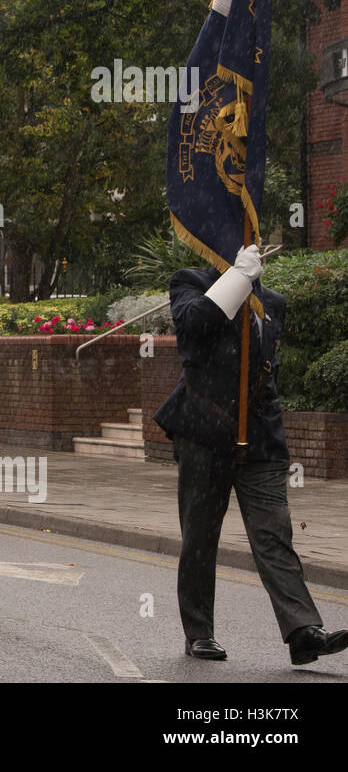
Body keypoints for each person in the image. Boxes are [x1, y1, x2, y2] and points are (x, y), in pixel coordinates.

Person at [156, 245, 348, 666]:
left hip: (259, 438)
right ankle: (199, 633)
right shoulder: (191, 284)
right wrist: (235, 281)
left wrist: (274, 435)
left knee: (273, 535)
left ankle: (302, 632)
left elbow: (267, 373)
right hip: (205, 432)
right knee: (201, 537)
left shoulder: (272, 303)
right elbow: (192, 328)